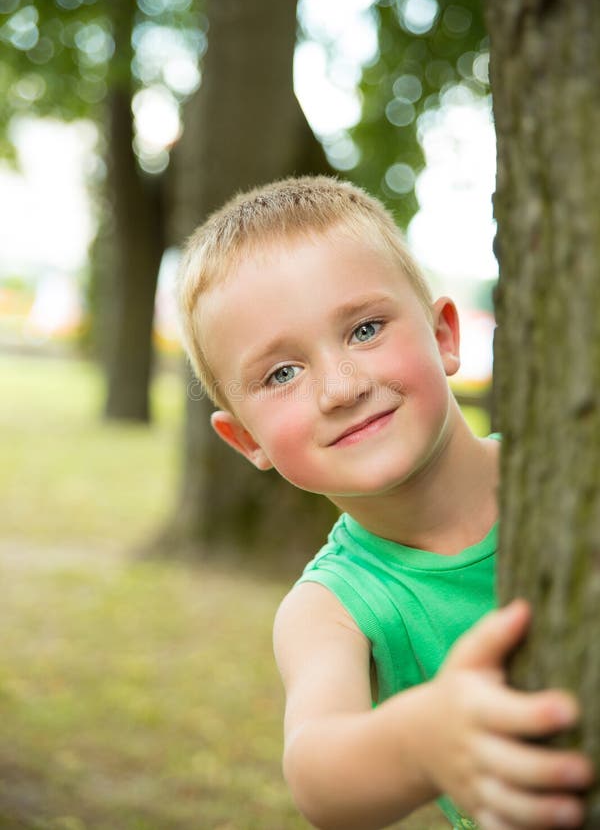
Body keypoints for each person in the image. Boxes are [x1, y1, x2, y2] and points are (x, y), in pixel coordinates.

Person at [176, 175, 594, 829]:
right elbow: (317, 773)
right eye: (283, 373)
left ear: (444, 335)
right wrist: (422, 742)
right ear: (247, 440)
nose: (340, 388)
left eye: (365, 329)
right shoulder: (333, 606)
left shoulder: (576, 474)